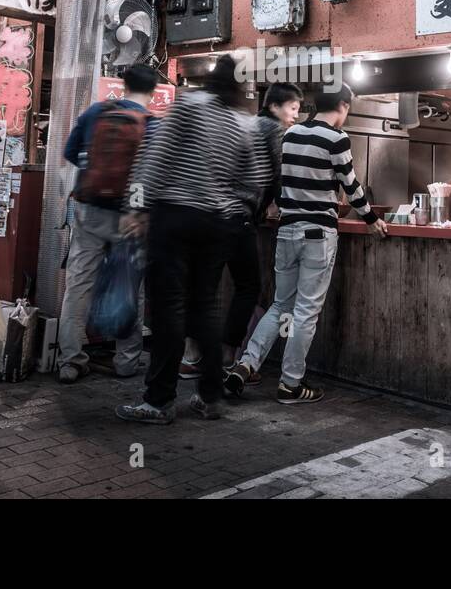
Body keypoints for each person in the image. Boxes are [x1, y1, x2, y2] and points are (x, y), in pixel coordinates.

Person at [116, 55, 270, 424]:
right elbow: (257, 178)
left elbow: (154, 158)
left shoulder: (189, 105)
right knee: (205, 307)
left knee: (169, 307)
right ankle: (209, 396)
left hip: (175, 217)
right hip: (217, 225)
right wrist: (232, 207)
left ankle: (158, 401)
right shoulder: (245, 123)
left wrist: (135, 207)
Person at [226, 81, 387, 404]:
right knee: (305, 312)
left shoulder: (291, 135)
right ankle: (290, 383)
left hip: (286, 231)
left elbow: (279, 181)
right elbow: (352, 186)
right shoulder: (337, 138)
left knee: (280, 305)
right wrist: (372, 219)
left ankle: (245, 365)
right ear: (342, 106)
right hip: (317, 234)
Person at [176, 82, 301, 384]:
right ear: (275, 106)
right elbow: (276, 176)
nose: (295, 115)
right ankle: (227, 357)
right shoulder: (272, 130)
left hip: (207, 213)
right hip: (237, 218)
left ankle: (190, 358)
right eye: (293, 108)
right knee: (248, 286)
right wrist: (279, 204)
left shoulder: (241, 124)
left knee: (205, 285)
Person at [56, 63, 158, 384]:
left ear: (123, 84)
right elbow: (151, 177)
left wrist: (96, 176)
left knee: (78, 284)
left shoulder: (96, 113)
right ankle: (126, 361)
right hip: (130, 216)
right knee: (129, 285)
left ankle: (70, 360)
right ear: (153, 90)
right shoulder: (153, 124)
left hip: (89, 211)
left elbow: (71, 152)